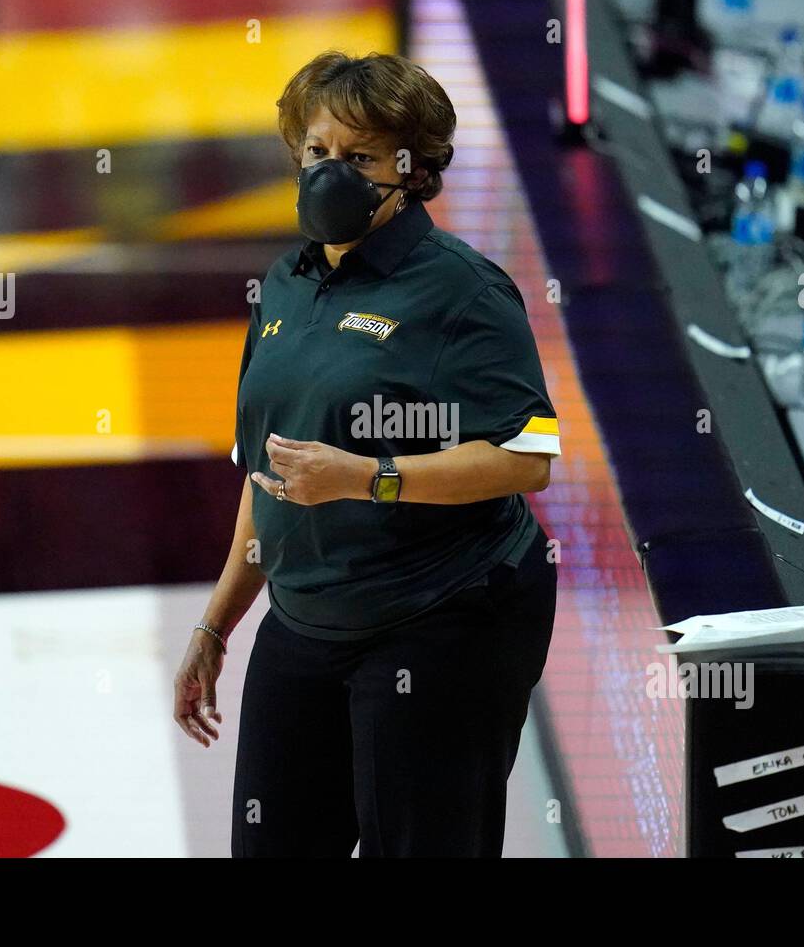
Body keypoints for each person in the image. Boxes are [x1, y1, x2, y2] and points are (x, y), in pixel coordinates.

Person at [171, 51, 562, 857]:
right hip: (307, 618)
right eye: (318, 153)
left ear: (413, 173)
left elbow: (528, 458)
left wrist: (369, 477)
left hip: (443, 620)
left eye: (361, 158)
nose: (330, 174)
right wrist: (215, 625)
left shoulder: (463, 291)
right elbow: (269, 473)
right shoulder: (284, 284)